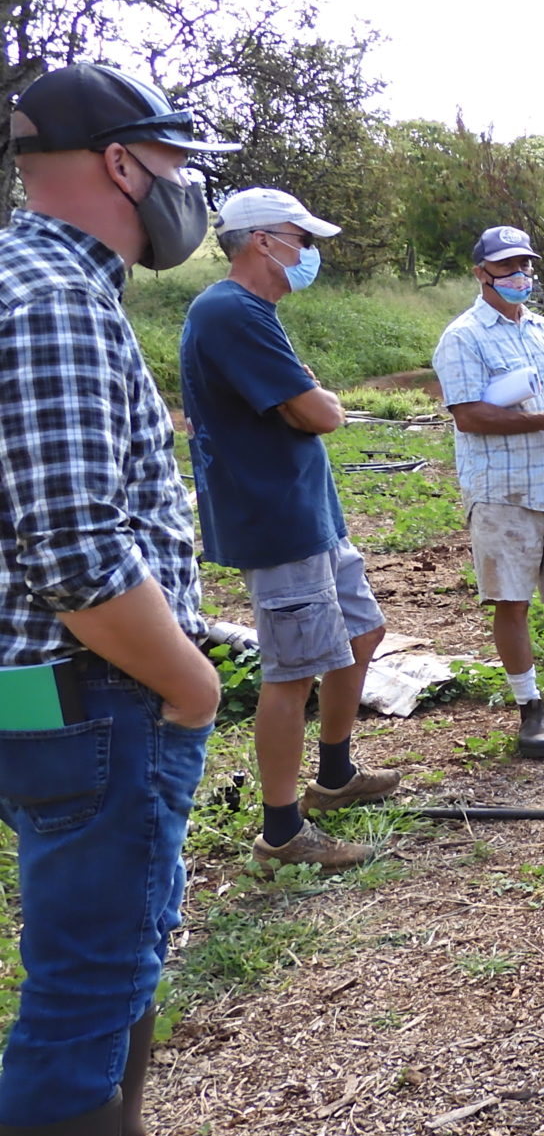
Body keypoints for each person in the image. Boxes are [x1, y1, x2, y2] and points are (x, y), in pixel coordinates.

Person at [0, 63, 230, 1136]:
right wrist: (189, 682)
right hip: (97, 695)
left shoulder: (45, 285)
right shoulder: (51, 297)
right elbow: (72, 550)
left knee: (110, 939)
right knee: (86, 970)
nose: (189, 189)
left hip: (55, 695)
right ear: (124, 163)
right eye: (179, 164)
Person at [178, 187, 402, 871]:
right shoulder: (230, 312)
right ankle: (281, 833)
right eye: (300, 239)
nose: (309, 253)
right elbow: (322, 412)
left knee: (362, 630)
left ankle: (333, 776)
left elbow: (310, 403)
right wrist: (314, 400)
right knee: (293, 670)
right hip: (275, 518)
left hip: (308, 512)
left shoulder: (252, 312)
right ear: (261, 241)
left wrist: (311, 399)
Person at [431, 226, 544, 758]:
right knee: (510, 600)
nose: (520, 277)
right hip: (501, 491)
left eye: (526, 267)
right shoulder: (462, 337)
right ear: (481, 273)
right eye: (508, 267)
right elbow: (469, 416)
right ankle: (530, 708)